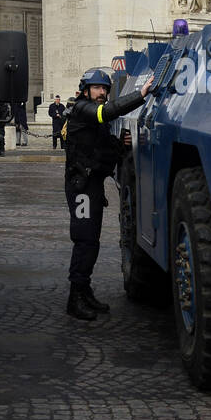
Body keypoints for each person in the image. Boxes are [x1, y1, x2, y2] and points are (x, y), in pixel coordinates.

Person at [64, 67, 154, 321]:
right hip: (81, 187)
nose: (101, 92)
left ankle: (85, 291)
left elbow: (99, 149)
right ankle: (75, 298)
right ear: (85, 90)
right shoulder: (84, 109)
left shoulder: (95, 117)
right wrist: (141, 94)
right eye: (97, 88)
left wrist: (119, 145)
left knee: (91, 241)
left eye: (104, 88)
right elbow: (105, 113)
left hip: (92, 185)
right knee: (84, 241)